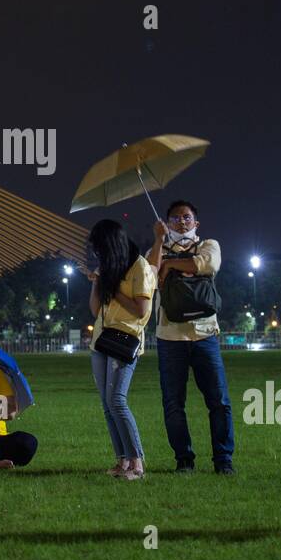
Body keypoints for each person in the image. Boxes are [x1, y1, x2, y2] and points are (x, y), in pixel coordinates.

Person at [147, 199, 233, 474]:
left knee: (219, 401)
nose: (181, 222)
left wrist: (169, 267)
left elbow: (205, 264)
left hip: (205, 334)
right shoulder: (156, 250)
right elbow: (149, 277)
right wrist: (159, 243)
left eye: (186, 218)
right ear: (167, 223)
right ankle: (184, 459)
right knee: (173, 403)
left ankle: (223, 460)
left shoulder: (210, 244)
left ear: (196, 223)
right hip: (170, 336)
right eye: (174, 218)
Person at [83, 219, 157, 481]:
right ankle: (122, 460)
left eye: (101, 249)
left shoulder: (140, 267)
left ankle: (137, 462)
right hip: (101, 341)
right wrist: (96, 282)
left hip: (124, 340)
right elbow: (95, 310)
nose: (98, 255)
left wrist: (113, 289)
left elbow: (142, 311)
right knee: (107, 404)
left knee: (117, 400)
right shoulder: (109, 266)